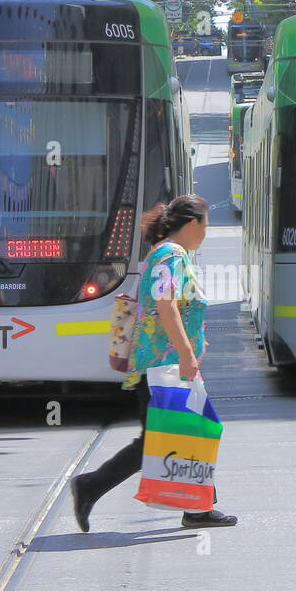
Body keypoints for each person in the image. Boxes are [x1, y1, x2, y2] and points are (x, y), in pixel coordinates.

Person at [69, 196, 238, 532]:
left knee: (189, 432)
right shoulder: (170, 255)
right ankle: (90, 485)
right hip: (166, 365)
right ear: (192, 224)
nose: (205, 233)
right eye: (205, 225)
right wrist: (187, 352)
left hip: (168, 363)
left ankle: (198, 507)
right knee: (168, 437)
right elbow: (166, 306)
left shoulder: (169, 254)